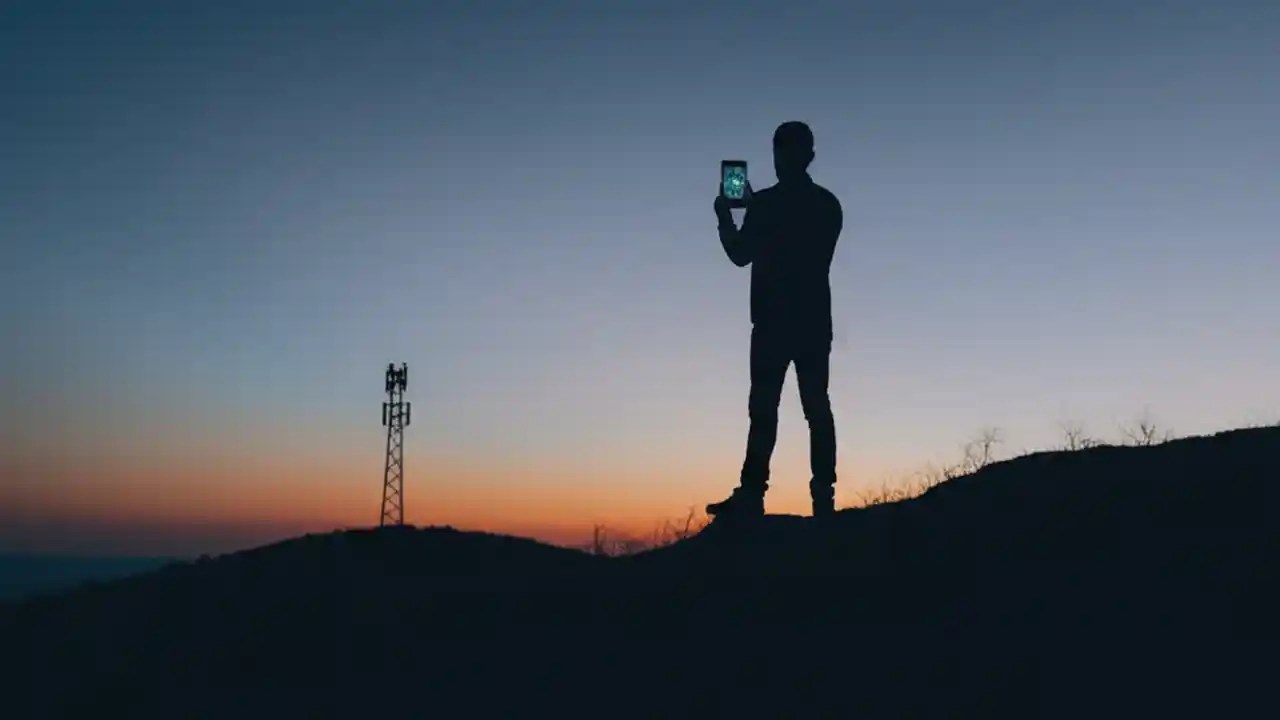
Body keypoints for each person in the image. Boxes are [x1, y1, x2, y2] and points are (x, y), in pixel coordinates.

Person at [707, 121, 844, 521]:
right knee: (816, 408)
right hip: (815, 322)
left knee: (765, 410)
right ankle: (823, 499)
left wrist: (724, 216)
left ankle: (752, 495)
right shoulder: (829, 204)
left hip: (772, 324)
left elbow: (739, 254)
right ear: (810, 157)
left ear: (778, 155)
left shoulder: (765, 205)